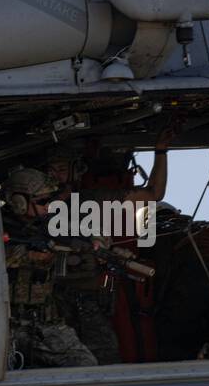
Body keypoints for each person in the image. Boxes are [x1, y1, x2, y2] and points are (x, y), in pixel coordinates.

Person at [49, 132, 174, 365]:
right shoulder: (33, 207)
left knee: (104, 361)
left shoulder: (93, 199)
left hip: (91, 299)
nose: (55, 176)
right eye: (50, 171)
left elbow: (153, 194)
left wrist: (160, 150)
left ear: (77, 170)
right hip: (51, 303)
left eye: (61, 169)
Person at [1, 167, 97, 369]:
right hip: (2, 326)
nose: (48, 207)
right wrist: (29, 255)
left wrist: (90, 248)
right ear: (18, 201)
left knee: (84, 365)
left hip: (44, 325)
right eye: (42, 202)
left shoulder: (51, 227)